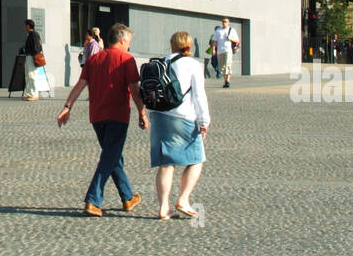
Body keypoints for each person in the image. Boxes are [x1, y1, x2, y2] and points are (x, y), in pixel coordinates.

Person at [57, 22, 149, 216]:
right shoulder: (127, 59)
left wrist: (67, 106)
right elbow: (134, 90)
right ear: (122, 41)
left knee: (113, 156)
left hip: (97, 116)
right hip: (118, 115)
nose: (129, 46)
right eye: (128, 42)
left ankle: (128, 197)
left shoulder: (94, 59)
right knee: (109, 157)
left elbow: (81, 84)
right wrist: (142, 113)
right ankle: (93, 200)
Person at [148, 32, 211, 220]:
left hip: (159, 115)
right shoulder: (192, 64)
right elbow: (199, 95)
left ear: (172, 44)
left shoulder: (162, 63)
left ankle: (163, 208)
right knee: (196, 159)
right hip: (183, 117)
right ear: (189, 46)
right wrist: (204, 120)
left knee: (166, 164)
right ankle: (183, 199)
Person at [213, 16, 240, 88]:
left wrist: (230, 39)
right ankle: (225, 81)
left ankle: (227, 81)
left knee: (227, 65)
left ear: (228, 23)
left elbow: (237, 41)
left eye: (225, 22)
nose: (224, 23)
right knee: (221, 67)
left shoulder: (232, 30)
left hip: (228, 50)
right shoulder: (218, 30)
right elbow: (214, 41)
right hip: (220, 51)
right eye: (223, 22)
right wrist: (213, 49)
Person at [22, 19, 43, 101]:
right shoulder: (30, 34)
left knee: (32, 75)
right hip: (29, 57)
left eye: (25, 25)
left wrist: (33, 55)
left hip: (32, 57)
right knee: (28, 76)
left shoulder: (34, 34)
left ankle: (34, 95)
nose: (24, 27)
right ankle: (29, 94)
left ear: (28, 26)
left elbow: (37, 47)